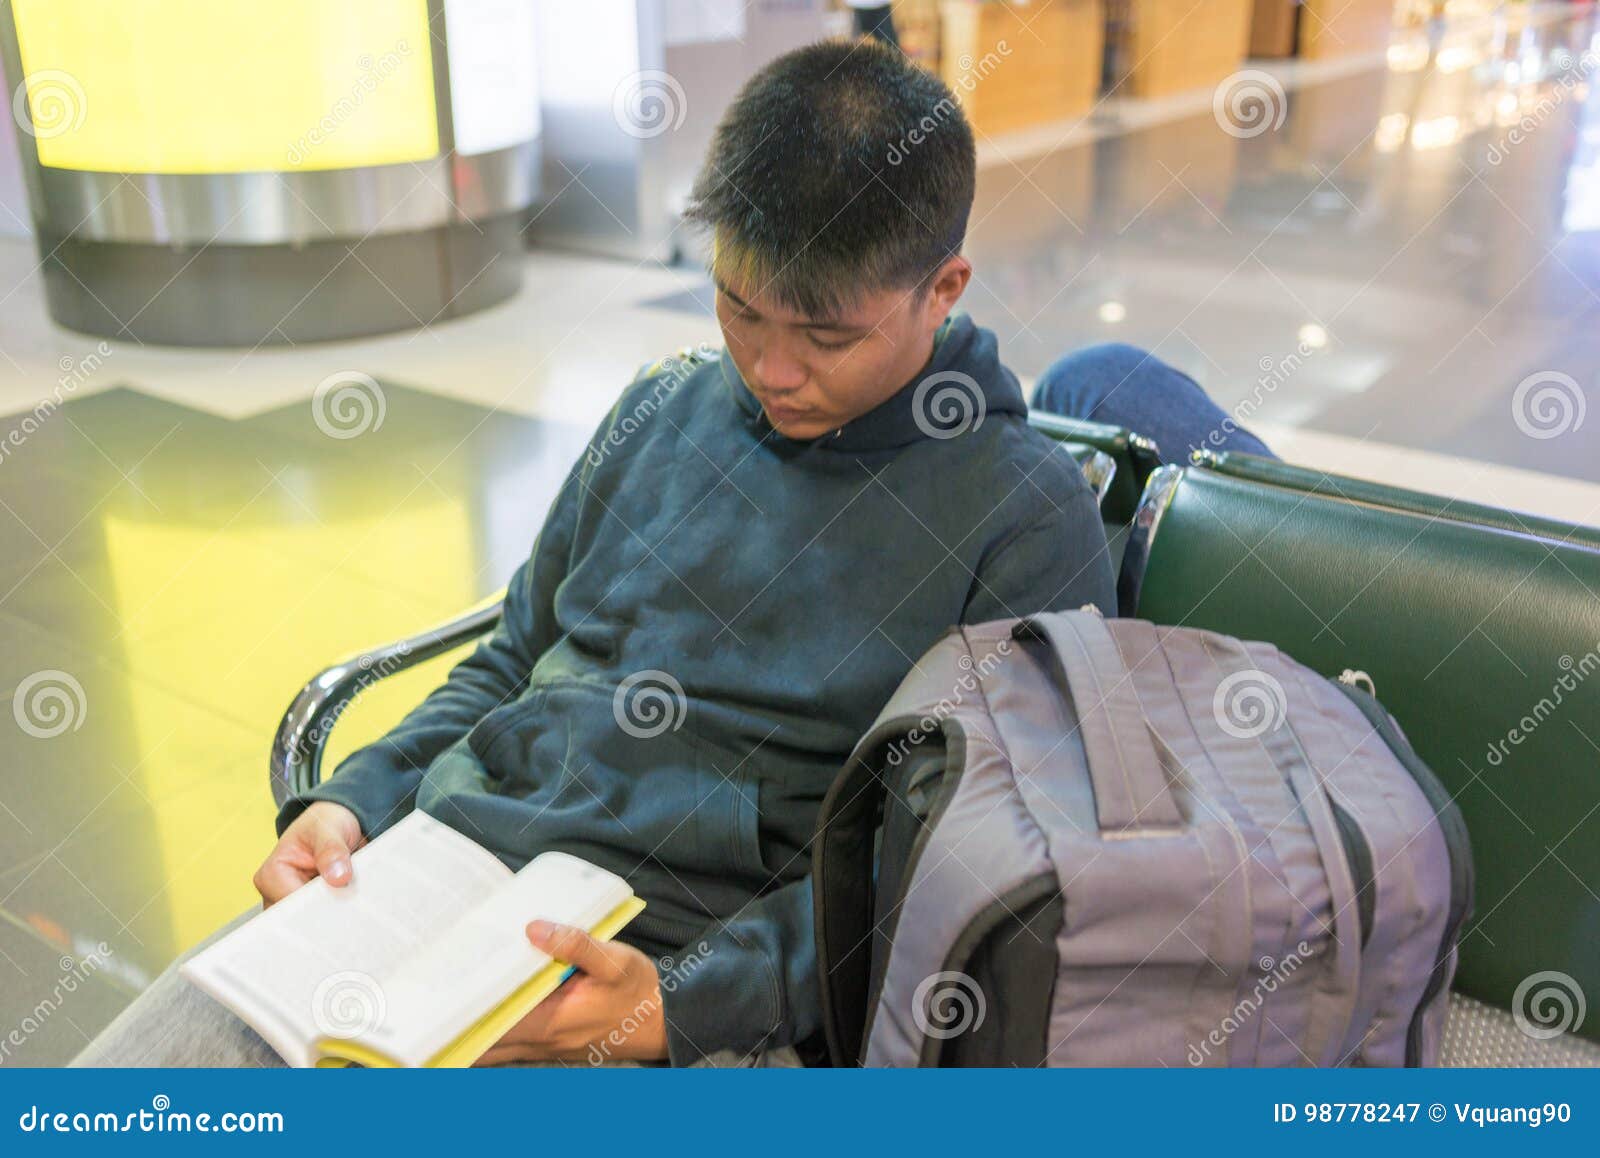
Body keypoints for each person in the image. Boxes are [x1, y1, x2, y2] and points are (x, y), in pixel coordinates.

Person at [73, 39, 1266, 1069]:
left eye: (826, 334)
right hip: (428, 888)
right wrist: (355, 798)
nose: (772, 370)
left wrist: (674, 1004)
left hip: (693, 968)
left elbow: (972, 876)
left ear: (941, 290)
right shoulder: (662, 405)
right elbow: (511, 659)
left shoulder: (1020, 515)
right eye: (740, 309)